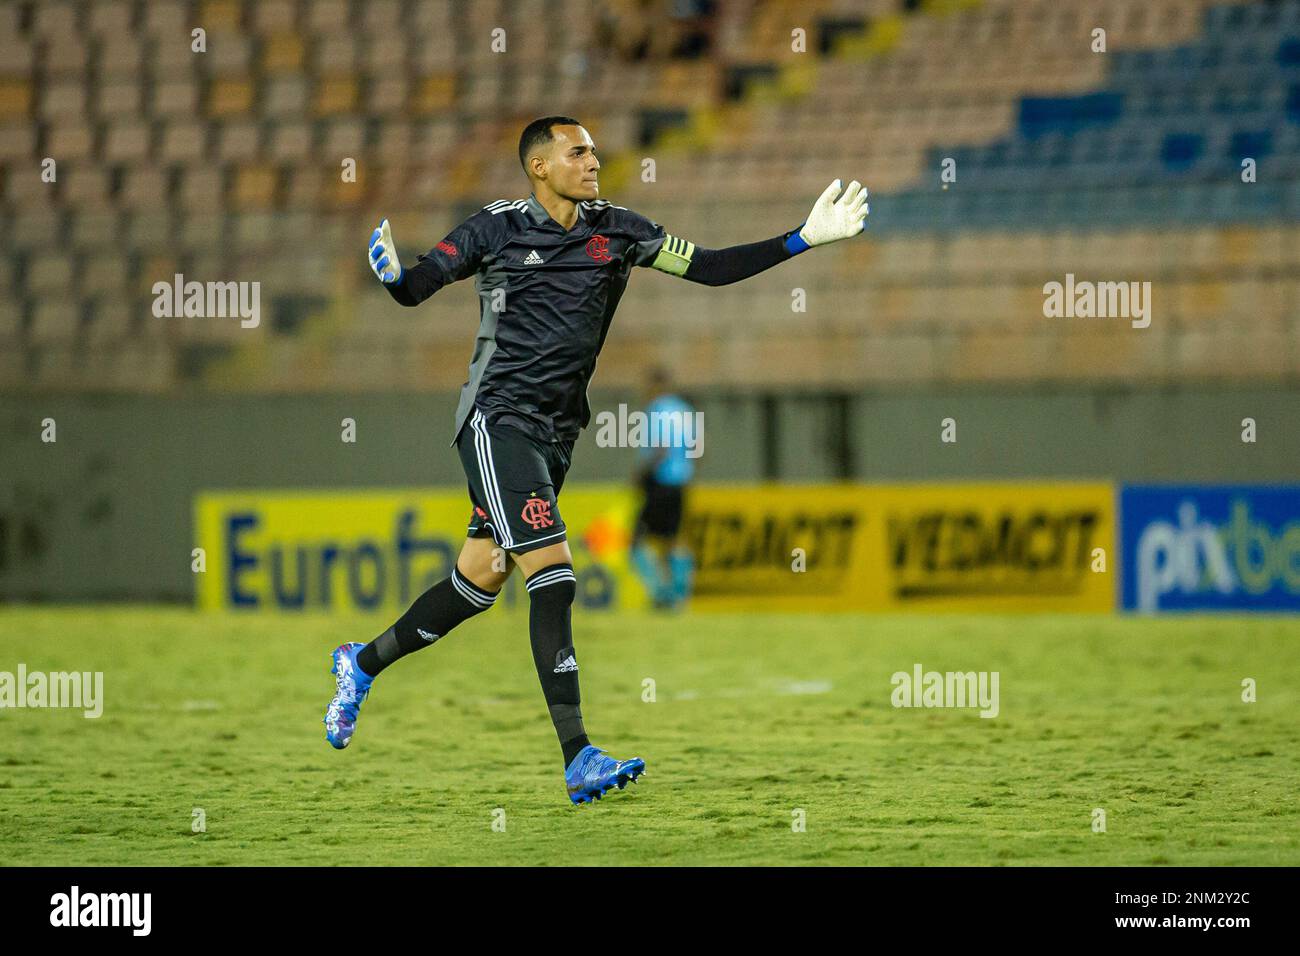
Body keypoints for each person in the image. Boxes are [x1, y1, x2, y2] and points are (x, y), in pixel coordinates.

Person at [324, 115, 869, 805]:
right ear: (539, 168)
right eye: (577, 151)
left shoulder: (621, 230)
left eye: (594, 150)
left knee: (480, 581)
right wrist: (393, 275)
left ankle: (361, 663)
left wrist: (803, 238)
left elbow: (707, 267)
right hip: (496, 423)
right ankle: (578, 754)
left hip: (556, 436)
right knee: (553, 574)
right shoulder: (493, 228)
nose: (594, 160)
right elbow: (417, 286)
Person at [630, 367, 697, 611]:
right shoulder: (684, 410)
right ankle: (680, 596)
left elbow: (660, 447)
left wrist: (640, 475)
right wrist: (686, 471)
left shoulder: (657, 408)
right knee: (672, 539)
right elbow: (700, 448)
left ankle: (662, 592)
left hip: (660, 481)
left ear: (655, 385)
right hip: (680, 482)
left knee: (637, 541)